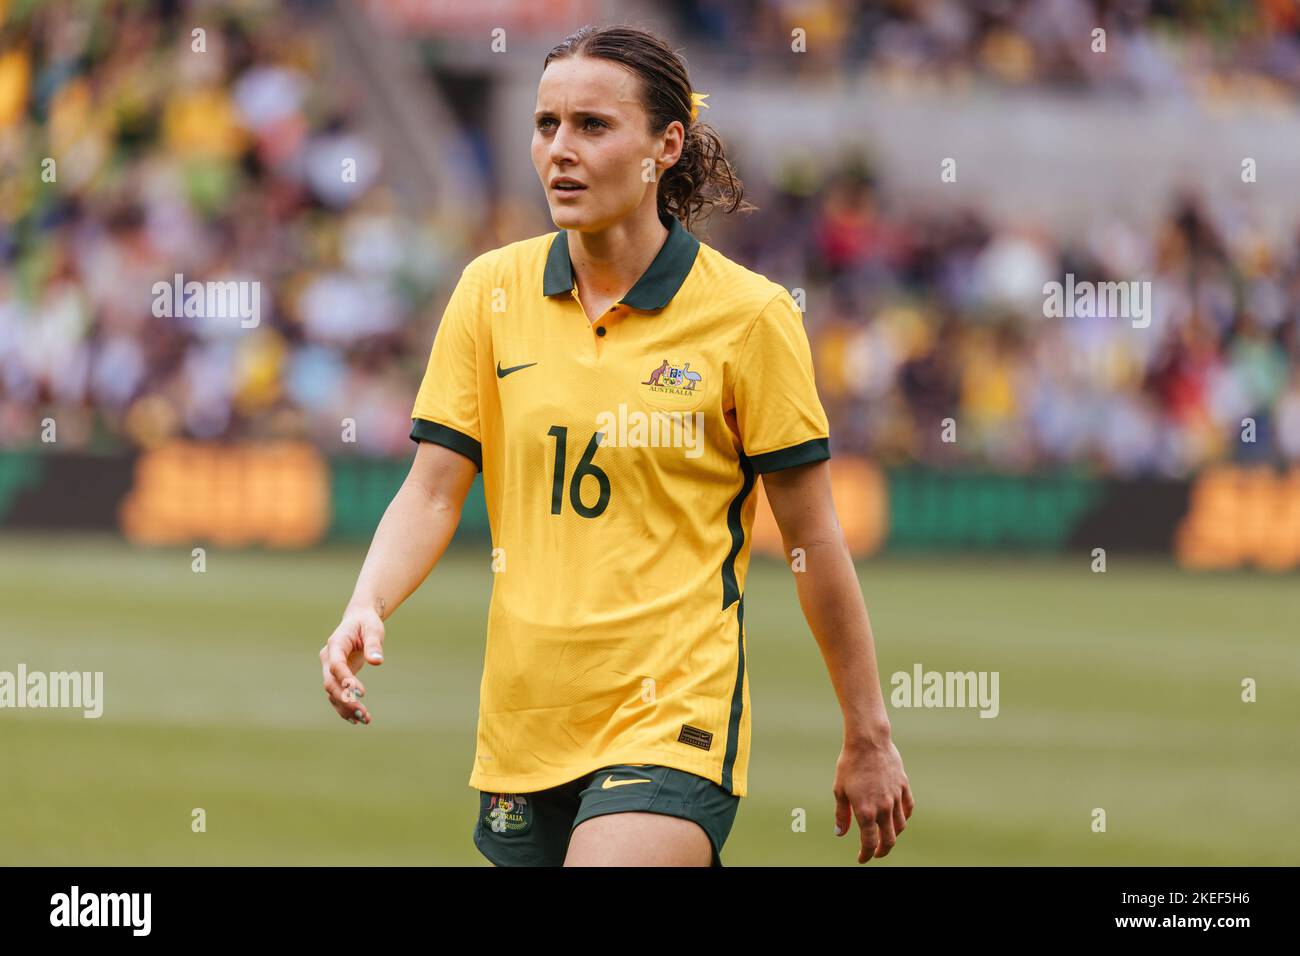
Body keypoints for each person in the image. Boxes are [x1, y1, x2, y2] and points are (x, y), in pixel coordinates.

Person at [320, 24, 913, 867]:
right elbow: (432, 491)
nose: (561, 150)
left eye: (593, 126)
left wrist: (868, 732)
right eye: (545, 125)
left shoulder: (750, 316)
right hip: (526, 721)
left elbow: (813, 539)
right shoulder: (489, 292)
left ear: (665, 146)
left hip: (673, 716)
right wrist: (365, 603)